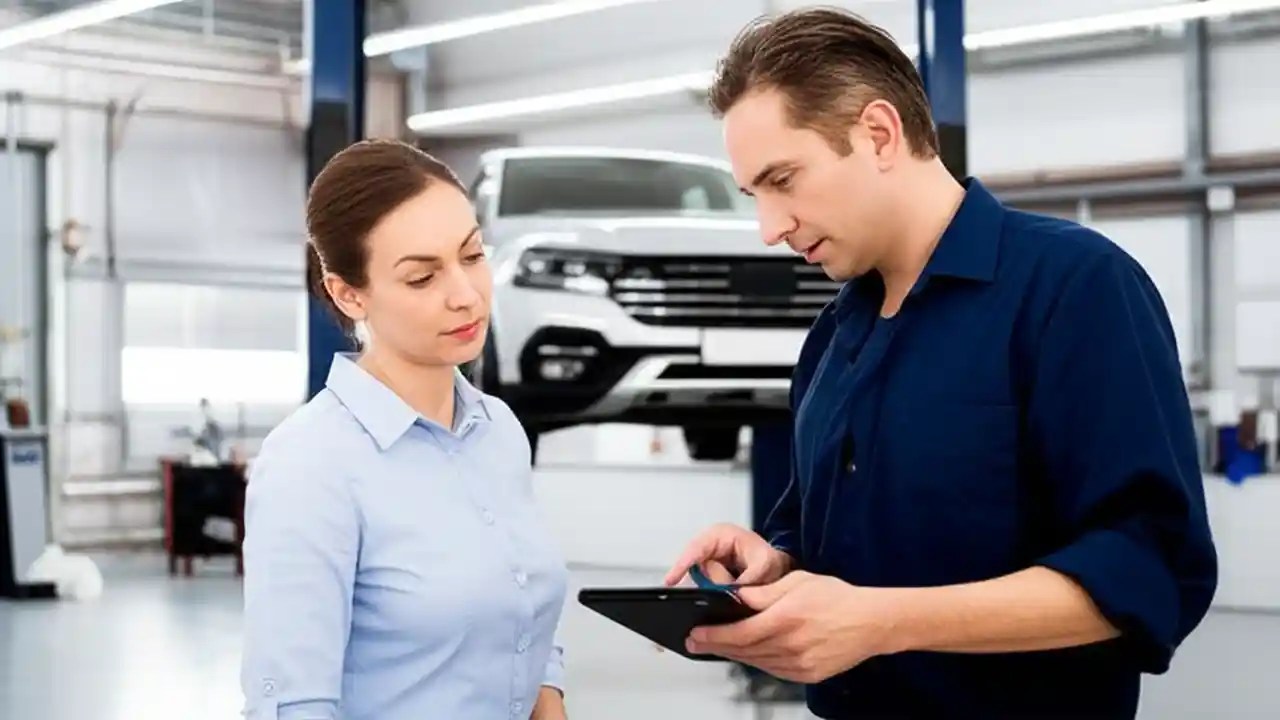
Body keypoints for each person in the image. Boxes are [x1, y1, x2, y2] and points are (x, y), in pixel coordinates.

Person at [665, 8, 1218, 719]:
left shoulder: (1074, 288)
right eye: (754, 196)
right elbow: (823, 540)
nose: (770, 229)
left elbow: (1151, 569)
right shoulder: (832, 338)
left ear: (879, 133)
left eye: (784, 180)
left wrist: (880, 622)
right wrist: (777, 565)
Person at [240, 139, 569, 720]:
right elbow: (296, 703)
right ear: (349, 293)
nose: (465, 296)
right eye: (422, 278)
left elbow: (530, 639)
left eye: (472, 256)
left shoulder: (499, 432)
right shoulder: (310, 465)